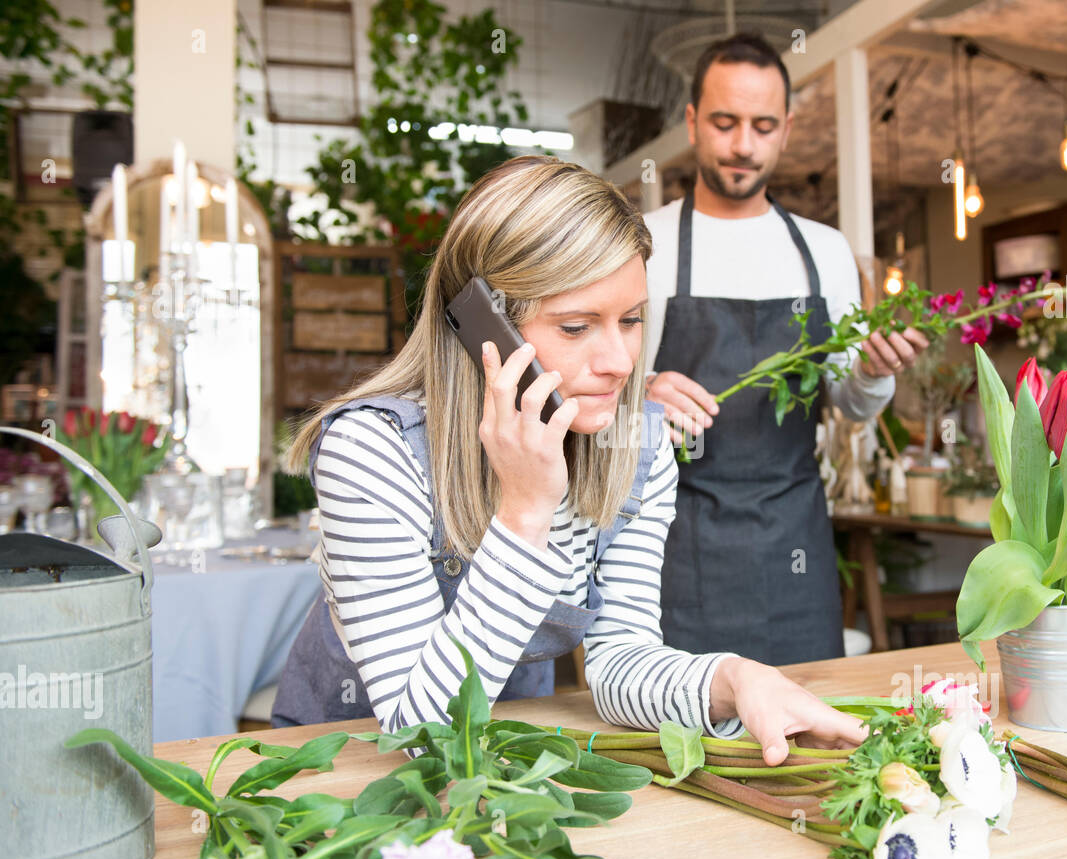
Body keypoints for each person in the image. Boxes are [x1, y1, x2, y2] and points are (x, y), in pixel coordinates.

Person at [270, 155, 867, 766]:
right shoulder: (373, 451)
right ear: (481, 323)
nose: (620, 360)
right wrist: (526, 510)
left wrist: (735, 680)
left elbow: (618, 665)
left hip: (506, 763)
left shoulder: (635, 447)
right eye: (578, 326)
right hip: (338, 768)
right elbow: (422, 733)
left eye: (632, 320)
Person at [643, 33, 928, 666]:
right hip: (673, 548)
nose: (743, 144)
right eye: (724, 122)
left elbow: (849, 405)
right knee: (683, 748)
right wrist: (641, 394)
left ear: (787, 130)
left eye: (763, 125)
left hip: (794, 548)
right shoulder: (646, 245)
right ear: (692, 122)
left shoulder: (824, 250)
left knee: (807, 742)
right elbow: (591, 392)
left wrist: (875, 373)